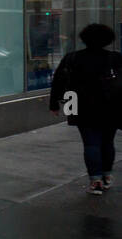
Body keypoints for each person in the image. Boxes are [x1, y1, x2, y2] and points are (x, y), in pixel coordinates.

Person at [50, 23, 122, 195]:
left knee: (91, 143)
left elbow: (58, 81)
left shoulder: (72, 58)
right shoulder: (116, 58)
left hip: (81, 105)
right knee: (107, 141)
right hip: (111, 106)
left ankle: (95, 180)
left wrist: (54, 104)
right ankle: (107, 175)